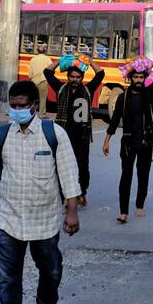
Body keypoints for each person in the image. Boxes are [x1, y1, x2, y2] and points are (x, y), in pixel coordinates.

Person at [0, 79, 81, 304]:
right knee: (8, 279)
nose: (17, 110)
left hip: (44, 221)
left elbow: (69, 174)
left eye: (23, 106)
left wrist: (71, 210)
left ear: (35, 105)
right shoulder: (1, 136)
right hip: (8, 221)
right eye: (14, 105)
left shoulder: (54, 134)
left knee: (51, 271)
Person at [102, 57, 153, 222]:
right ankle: (123, 212)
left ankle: (139, 205)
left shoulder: (149, 94)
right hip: (128, 143)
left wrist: (149, 61)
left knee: (143, 175)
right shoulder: (123, 98)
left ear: (144, 78)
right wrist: (107, 140)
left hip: (145, 142)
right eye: (135, 77)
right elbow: (115, 120)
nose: (138, 80)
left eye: (141, 77)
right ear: (130, 78)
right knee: (126, 177)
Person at [44, 56, 105, 206]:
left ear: (82, 78)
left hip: (82, 136)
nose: (75, 79)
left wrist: (87, 60)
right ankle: (65, 197)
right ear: (68, 76)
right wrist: (64, 60)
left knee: (82, 168)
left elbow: (100, 74)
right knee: (63, 167)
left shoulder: (88, 90)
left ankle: (82, 193)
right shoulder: (61, 88)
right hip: (63, 135)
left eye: (78, 77)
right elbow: (47, 72)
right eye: (72, 76)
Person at [28, 46, 54, 117]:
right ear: (45, 51)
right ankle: (42, 114)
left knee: (33, 99)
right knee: (42, 98)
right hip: (42, 81)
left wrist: (31, 78)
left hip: (34, 81)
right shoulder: (47, 59)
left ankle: (30, 113)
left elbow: (30, 73)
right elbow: (51, 69)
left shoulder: (33, 59)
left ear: (37, 51)